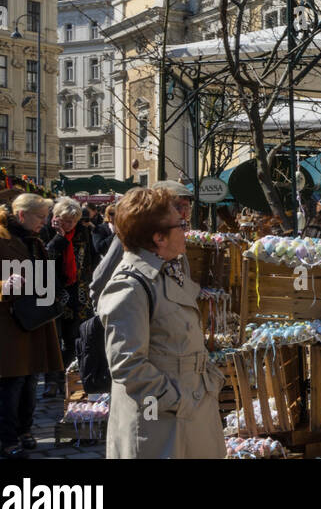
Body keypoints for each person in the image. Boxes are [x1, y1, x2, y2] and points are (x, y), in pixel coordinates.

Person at [92, 187, 226, 459]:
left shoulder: (164, 271)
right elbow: (128, 365)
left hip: (189, 410)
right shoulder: (130, 286)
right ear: (159, 237)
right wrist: (175, 402)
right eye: (181, 225)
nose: (185, 231)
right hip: (162, 421)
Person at [0, 194, 63, 458]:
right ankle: (8, 440)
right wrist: (4, 285)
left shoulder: (36, 242)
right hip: (7, 325)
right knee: (9, 387)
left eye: (46, 217)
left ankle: (25, 431)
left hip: (35, 322)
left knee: (29, 384)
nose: (44, 222)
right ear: (22, 215)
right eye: (40, 217)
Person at [42, 197, 101, 398]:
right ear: (56, 217)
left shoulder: (83, 233)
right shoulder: (46, 232)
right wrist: (59, 237)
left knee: (74, 338)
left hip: (79, 293)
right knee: (53, 340)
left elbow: (92, 259)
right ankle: (51, 381)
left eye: (73, 221)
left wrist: (89, 281)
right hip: (54, 293)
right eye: (66, 220)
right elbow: (45, 259)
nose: (69, 225)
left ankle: (67, 377)